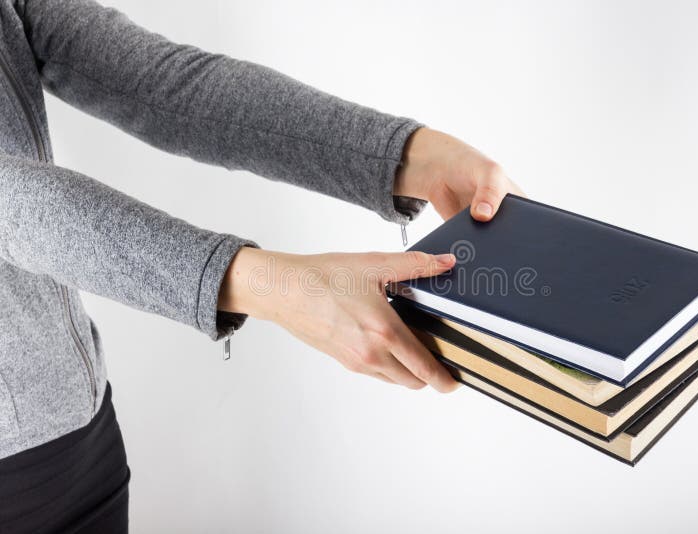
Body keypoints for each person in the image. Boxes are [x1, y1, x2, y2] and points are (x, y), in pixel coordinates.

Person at [0, 0, 522, 531]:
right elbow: (11, 203)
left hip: (78, 433)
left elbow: (159, 85)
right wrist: (277, 285)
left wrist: (413, 155)